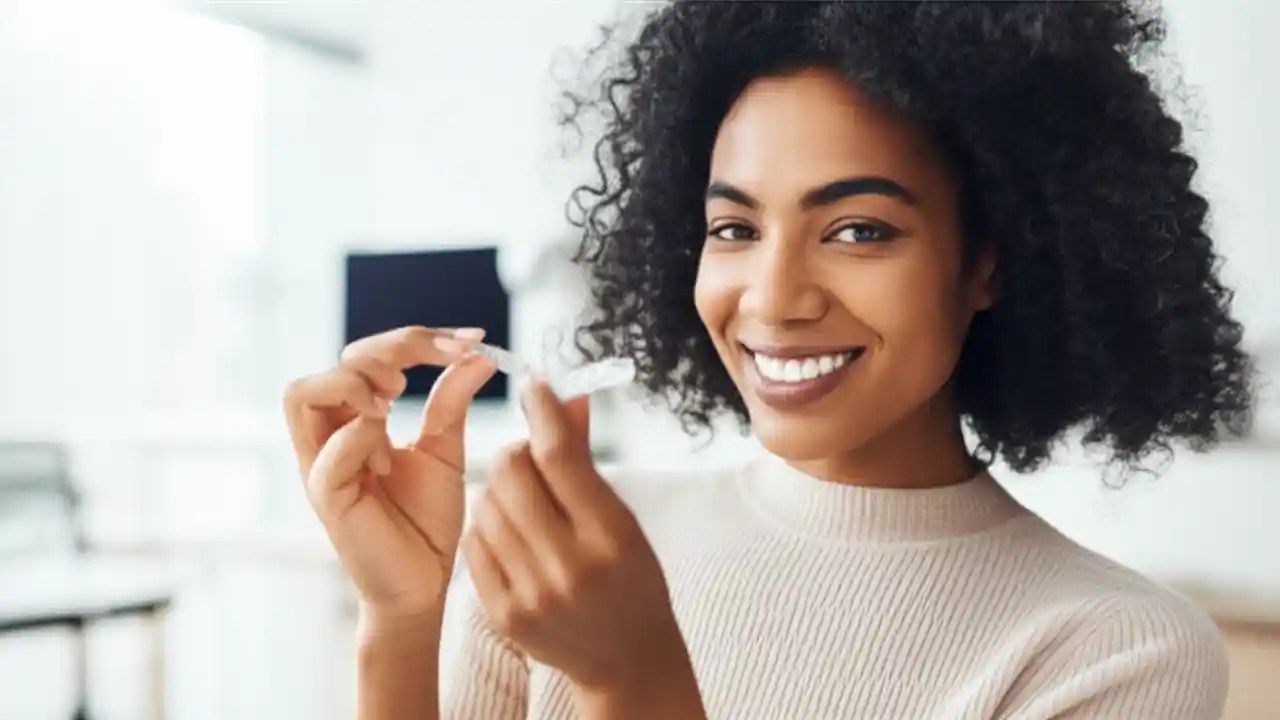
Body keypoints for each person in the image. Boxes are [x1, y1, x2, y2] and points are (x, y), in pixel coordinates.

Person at [282, 2, 1255, 718]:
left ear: (990, 260)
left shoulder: (1117, 651)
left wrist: (637, 684)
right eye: (734, 227)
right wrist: (400, 617)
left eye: (859, 229)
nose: (774, 297)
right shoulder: (580, 546)